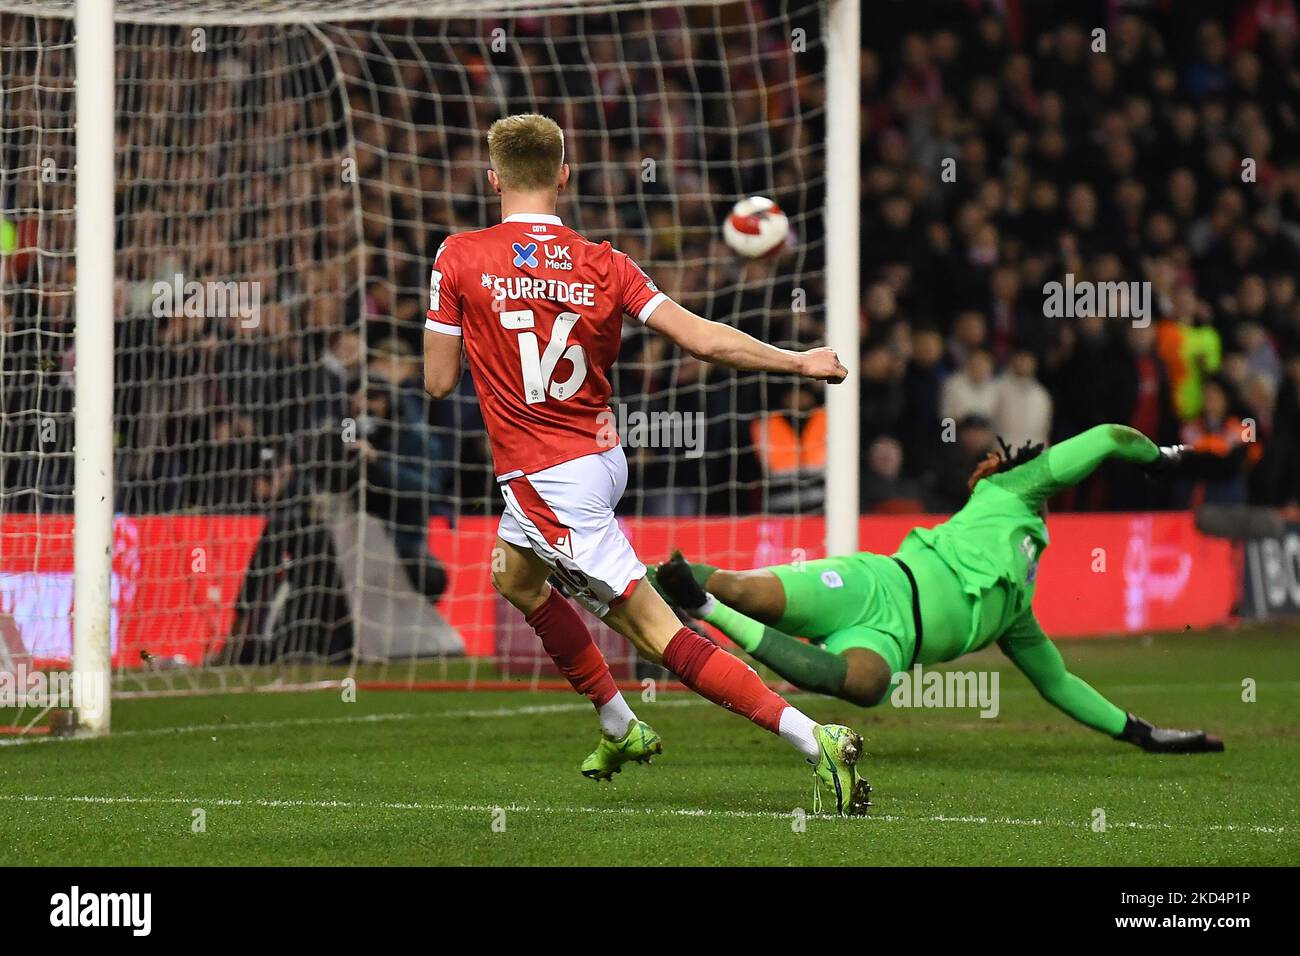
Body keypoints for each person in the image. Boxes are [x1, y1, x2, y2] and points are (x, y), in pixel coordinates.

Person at [422, 113, 868, 814]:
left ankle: (816, 738)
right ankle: (617, 722)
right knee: (514, 575)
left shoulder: (459, 257)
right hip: (600, 454)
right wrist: (798, 361)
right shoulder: (607, 262)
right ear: (564, 176)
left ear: (492, 179)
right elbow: (702, 339)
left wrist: (478, 328)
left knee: (659, 635)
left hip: (547, 477)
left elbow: (438, 381)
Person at [649, 425, 1226, 756]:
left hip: (889, 640)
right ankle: (628, 581)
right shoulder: (1008, 492)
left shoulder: (1016, 611)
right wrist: (1163, 458)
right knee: (748, 590)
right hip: (872, 586)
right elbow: (1108, 437)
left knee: (865, 686)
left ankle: (701, 608)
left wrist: (1142, 734)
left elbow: (1059, 684)